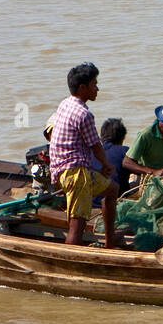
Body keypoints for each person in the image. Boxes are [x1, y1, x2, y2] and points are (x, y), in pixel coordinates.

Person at [49, 63, 119, 247]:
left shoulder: (65, 103)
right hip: (76, 175)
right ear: (83, 88)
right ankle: (69, 260)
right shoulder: (84, 114)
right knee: (77, 225)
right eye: (94, 84)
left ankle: (109, 241)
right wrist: (107, 165)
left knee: (112, 189)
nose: (97, 88)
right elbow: (96, 146)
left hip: (61, 171)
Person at [99, 117, 131, 198]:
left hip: (92, 200)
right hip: (116, 198)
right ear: (122, 137)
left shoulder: (92, 152)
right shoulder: (124, 151)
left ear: (102, 136)